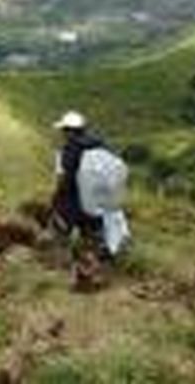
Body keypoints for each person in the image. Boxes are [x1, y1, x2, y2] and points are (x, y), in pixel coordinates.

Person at [51, 111, 130, 287]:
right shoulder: (101, 146)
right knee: (95, 235)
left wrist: (56, 200)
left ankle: (72, 271)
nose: (63, 134)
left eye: (64, 130)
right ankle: (99, 269)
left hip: (75, 201)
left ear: (69, 131)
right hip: (100, 201)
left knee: (64, 232)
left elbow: (64, 179)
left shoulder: (68, 150)